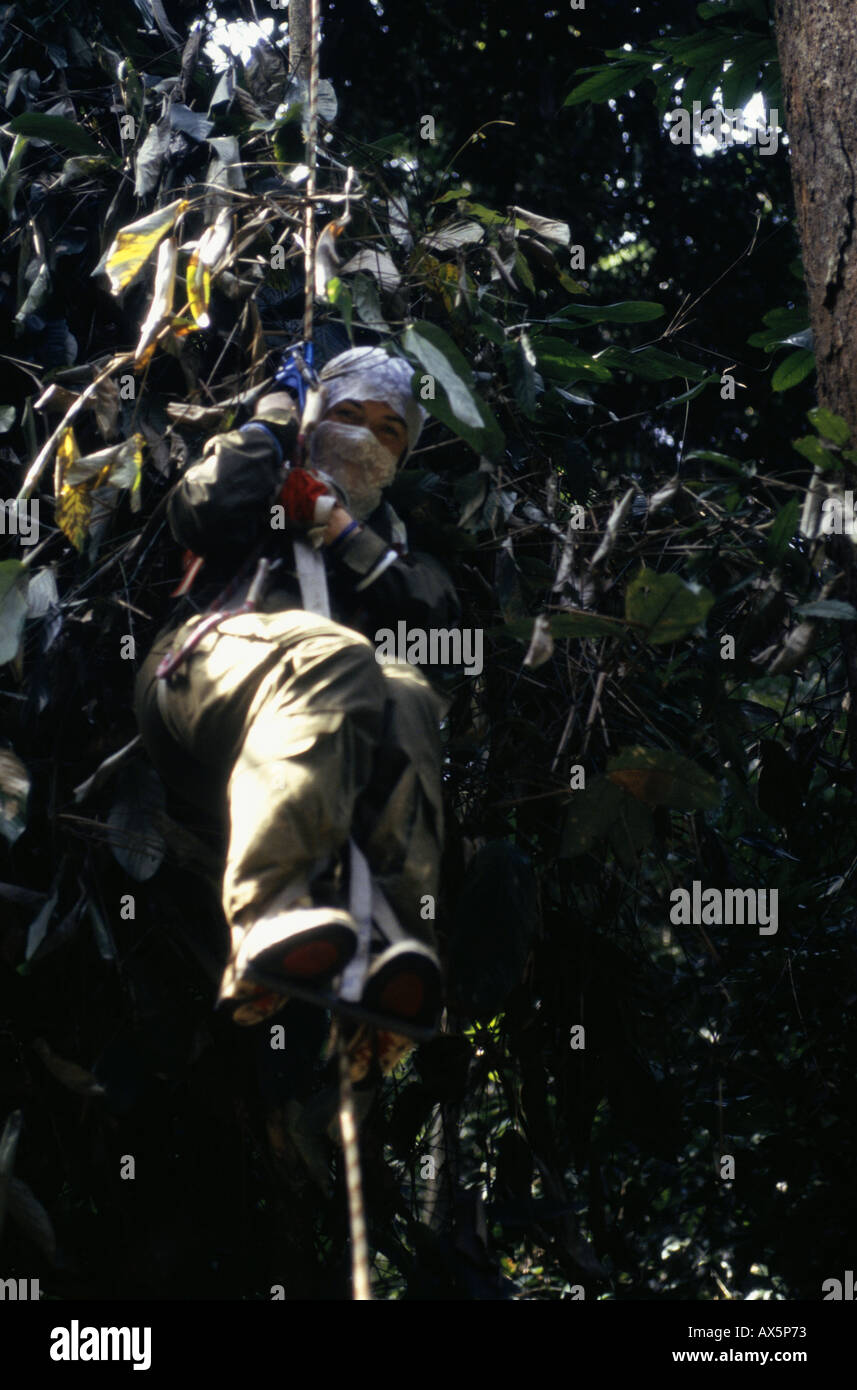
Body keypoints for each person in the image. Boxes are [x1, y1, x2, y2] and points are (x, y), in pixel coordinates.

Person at [134, 347, 459, 1041]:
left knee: (406, 692)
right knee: (338, 654)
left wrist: (339, 531)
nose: (364, 437)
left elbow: (434, 622)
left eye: (388, 428)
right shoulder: (260, 485)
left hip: (319, 741)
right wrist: (272, 423)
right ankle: (267, 912)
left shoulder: (399, 541)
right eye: (346, 414)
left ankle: (392, 956)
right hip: (201, 683)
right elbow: (203, 506)